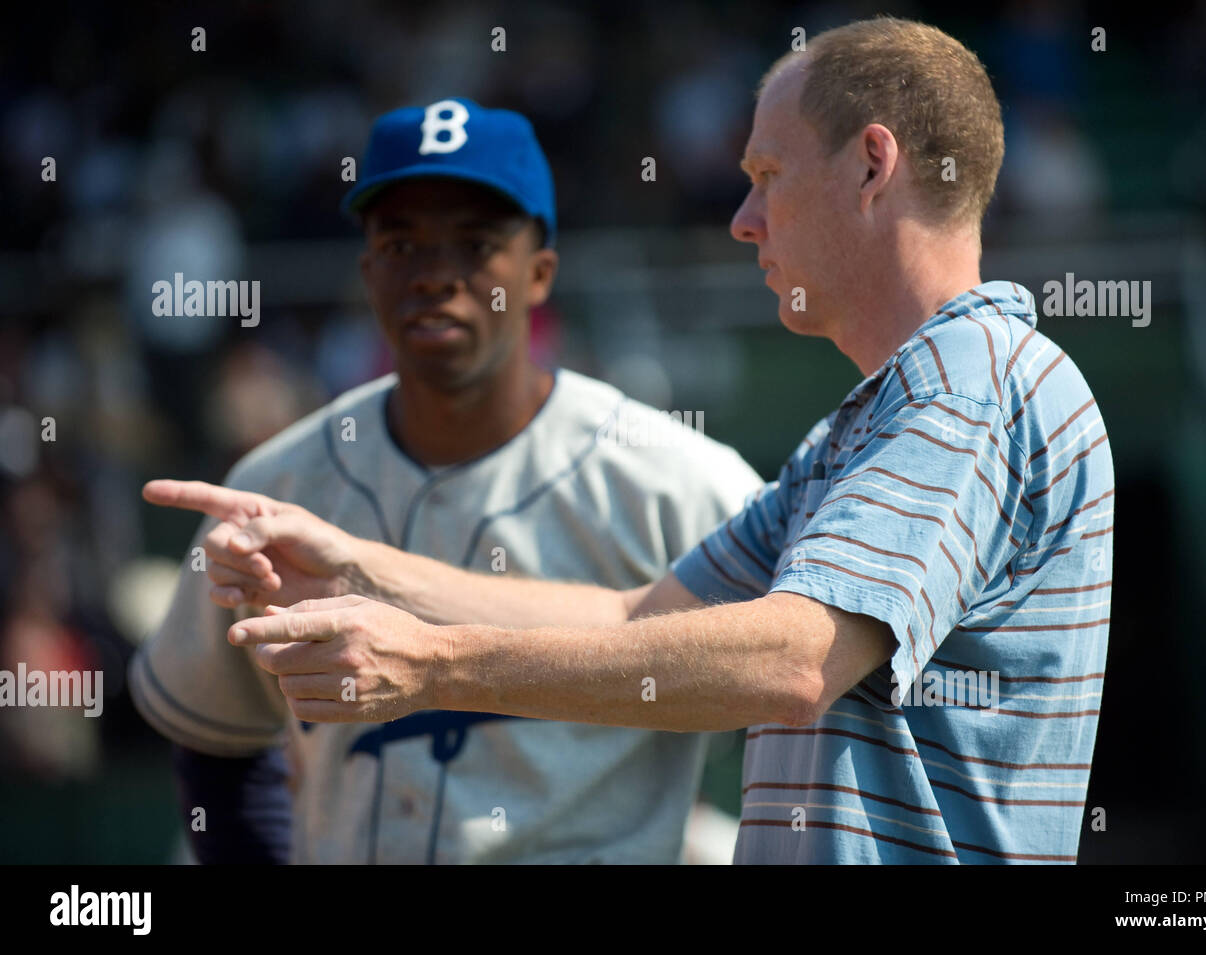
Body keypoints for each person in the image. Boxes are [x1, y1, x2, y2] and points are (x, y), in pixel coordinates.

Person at [150, 16, 1114, 863]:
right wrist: (361, 565)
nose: (742, 221)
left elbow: (791, 664)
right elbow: (632, 621)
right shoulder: (866, 422)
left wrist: (429, 665)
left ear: (872, 165)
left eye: (768, 177)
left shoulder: (969, 383)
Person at [129, 99, 764, 864]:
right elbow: (218, 748)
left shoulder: (680, 482)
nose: (435, 275)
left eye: (474, 243)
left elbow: (796, 702)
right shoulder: (275, 485)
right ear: (368, 272)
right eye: (401, 243)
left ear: (538, 273)